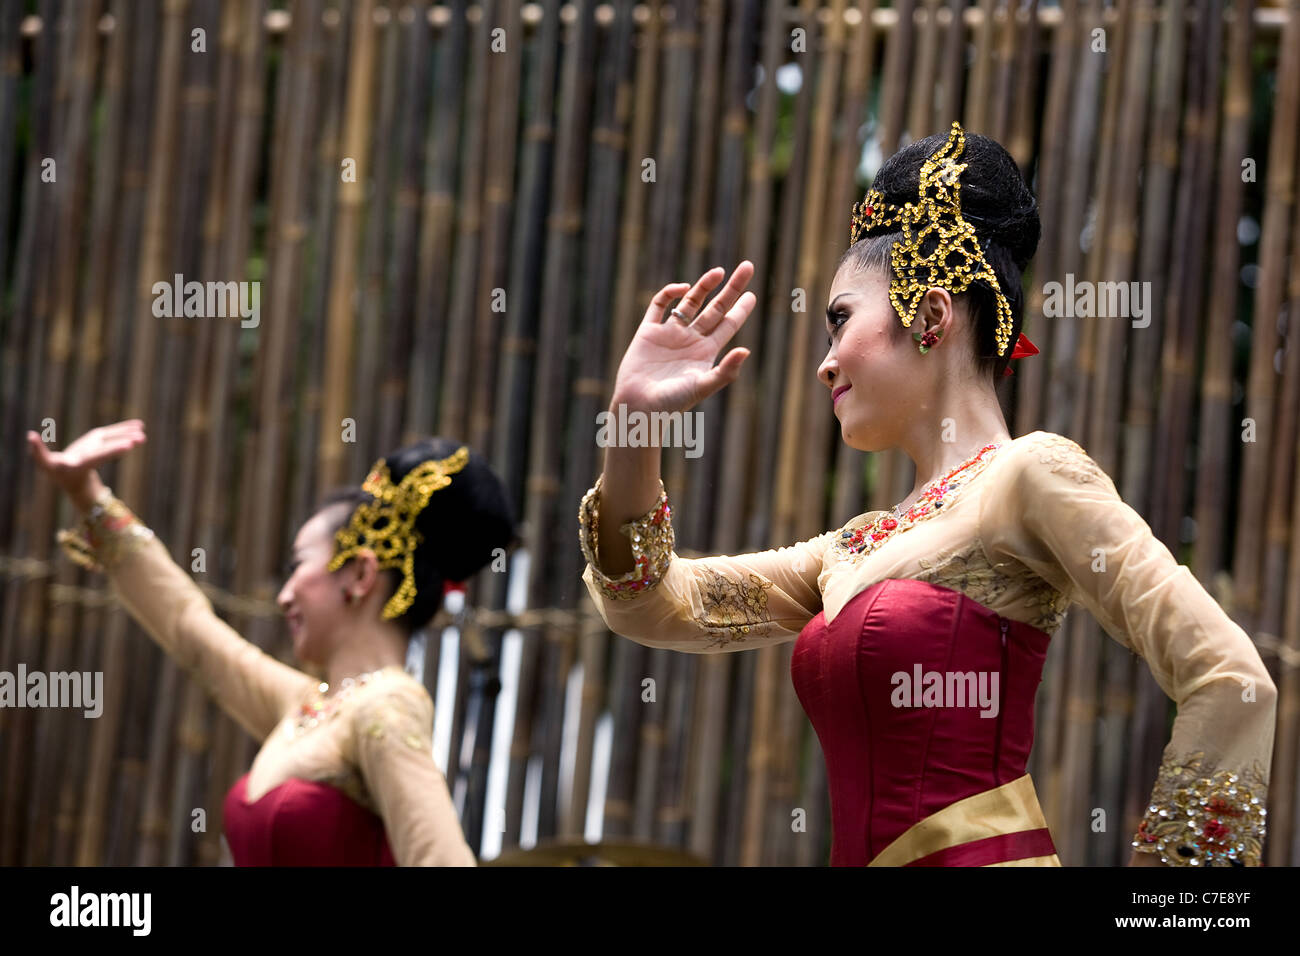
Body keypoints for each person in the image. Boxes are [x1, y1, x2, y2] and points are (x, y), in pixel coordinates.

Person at [577, 122, 1275, 867]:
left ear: (932, 315)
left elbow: (1232, 681)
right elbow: (650, 603)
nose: (826, 363)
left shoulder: (1030, 474)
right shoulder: (849, 551)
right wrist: (633, 425)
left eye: (840, 320)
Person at [29, 423, 516, 866]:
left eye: (297, 565)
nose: (283, 596)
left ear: (362, 573)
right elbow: (189, 627)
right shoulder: (311, 706)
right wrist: (87, 494)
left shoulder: (386, 708)